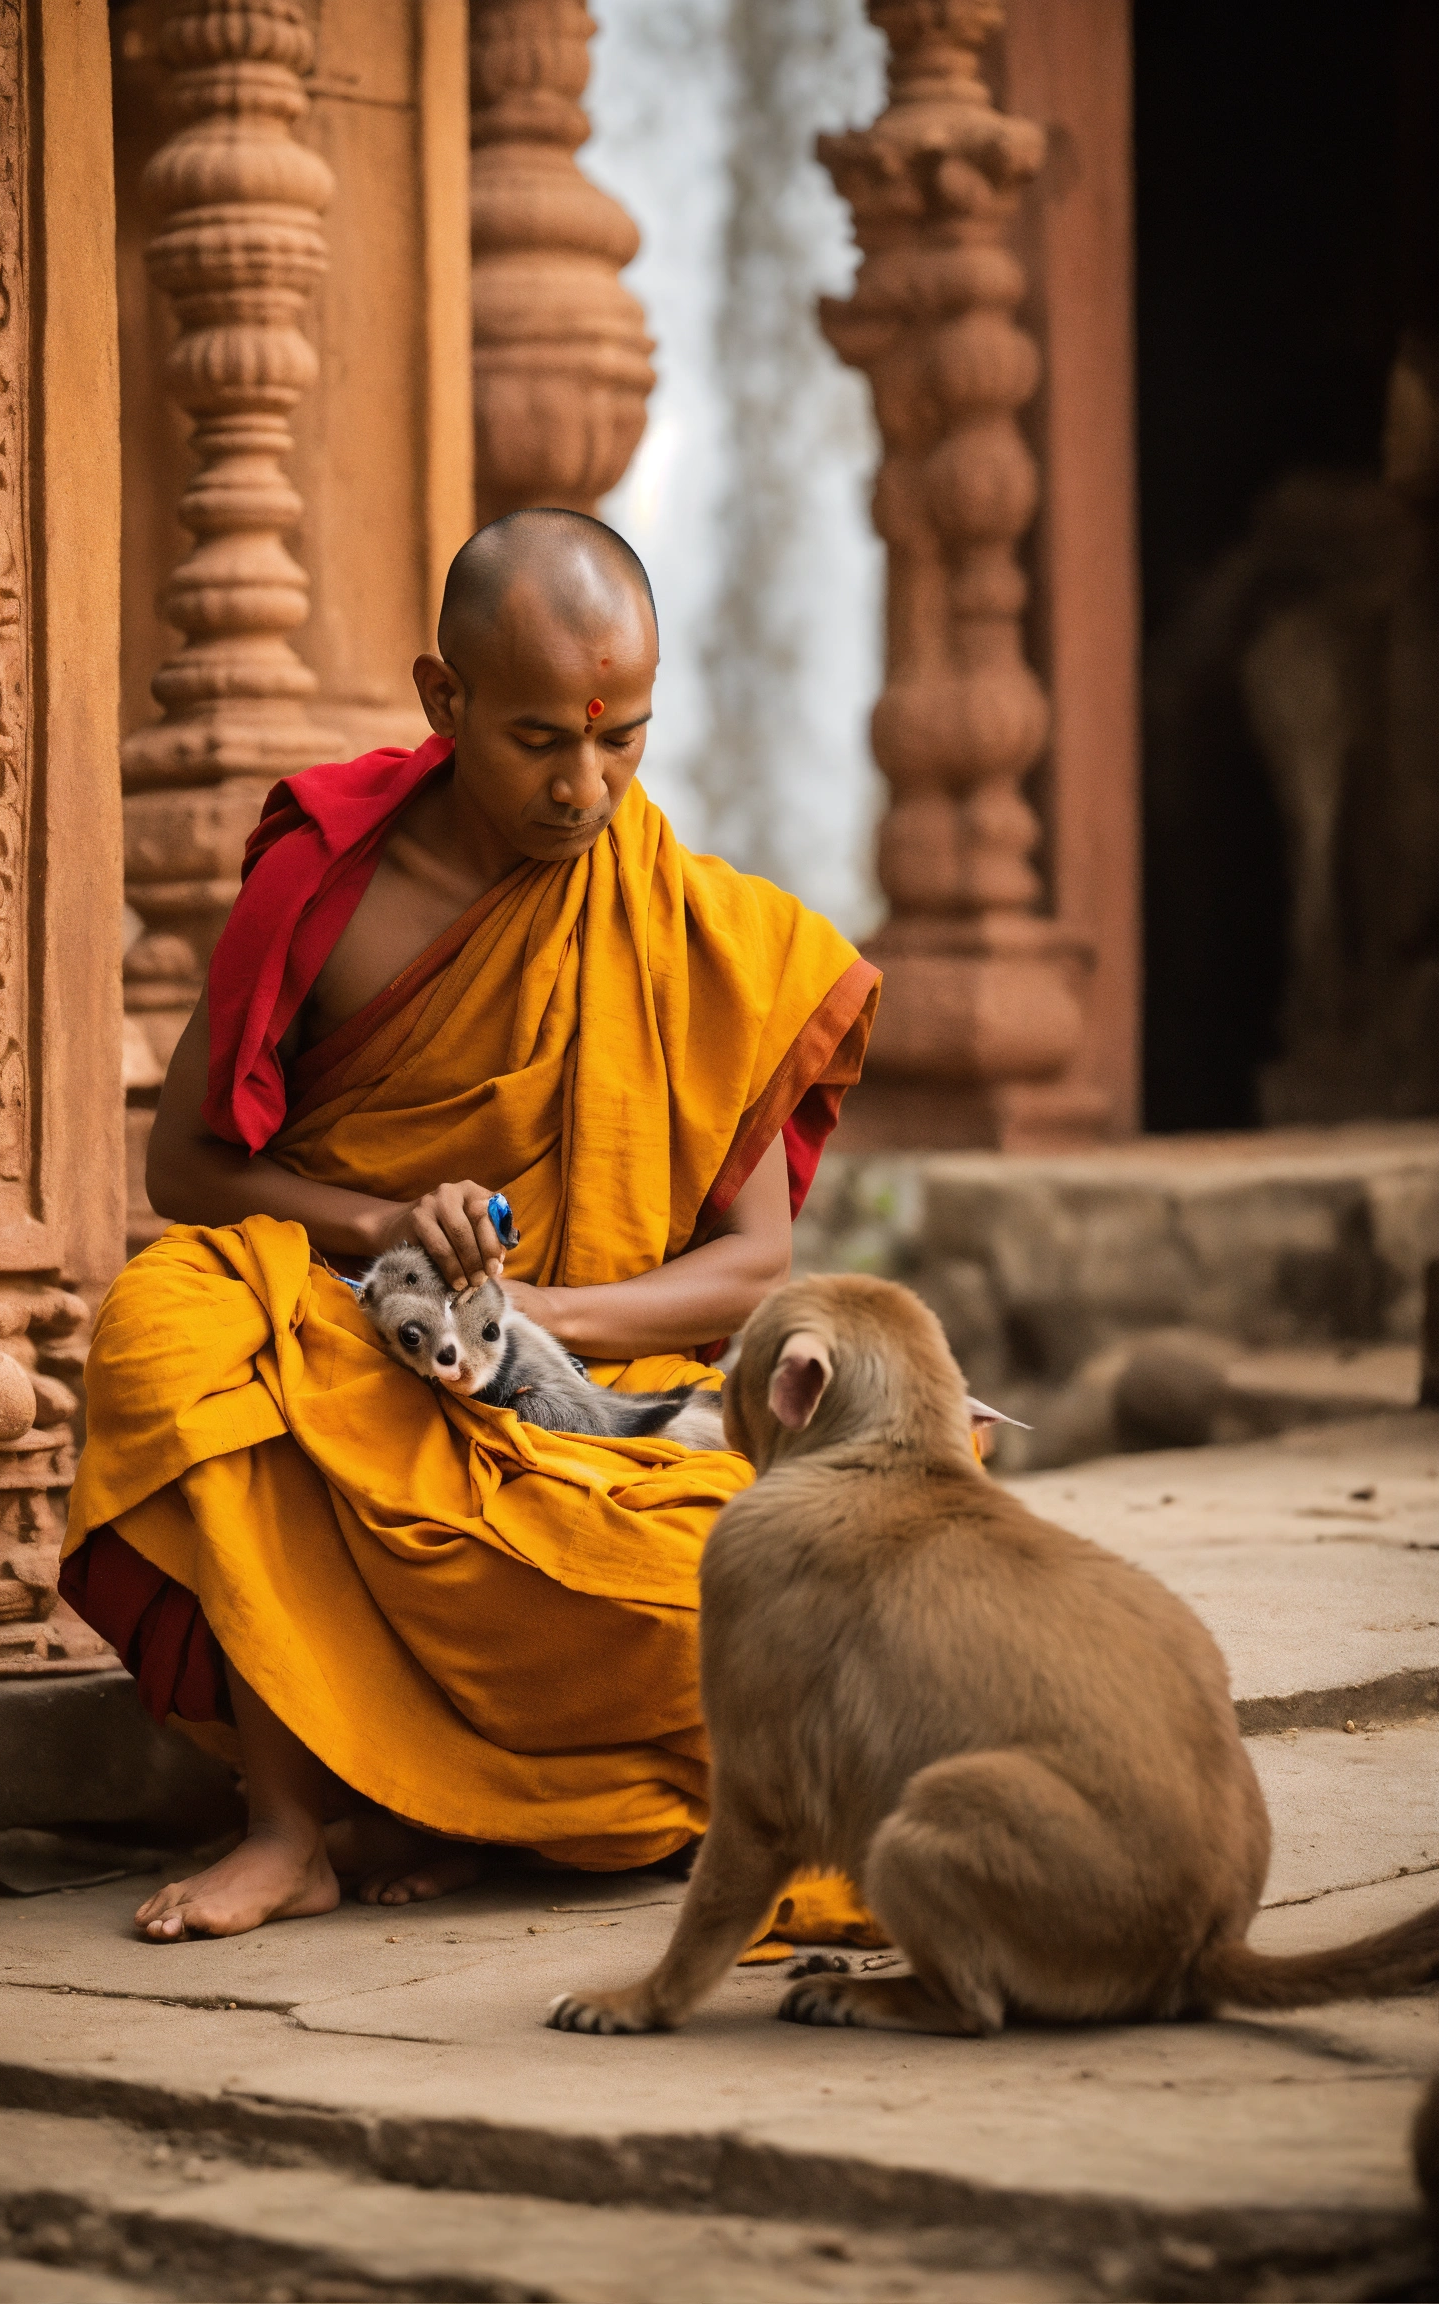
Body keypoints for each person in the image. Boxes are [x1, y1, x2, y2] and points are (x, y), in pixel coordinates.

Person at [59, 509, 879, 1940]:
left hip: (577, 1396)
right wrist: (386, 1230)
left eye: (622, 737)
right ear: (443, 703)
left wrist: (523, 1326)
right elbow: (185, 1168)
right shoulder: (326, 880)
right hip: (345, 1338)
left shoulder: (683, 921)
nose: (590, 788)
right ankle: (291, 1826)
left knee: (777, 1570)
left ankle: (457, 1806)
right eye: (540, 743)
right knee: (166, 1330)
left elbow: (753, 1267)